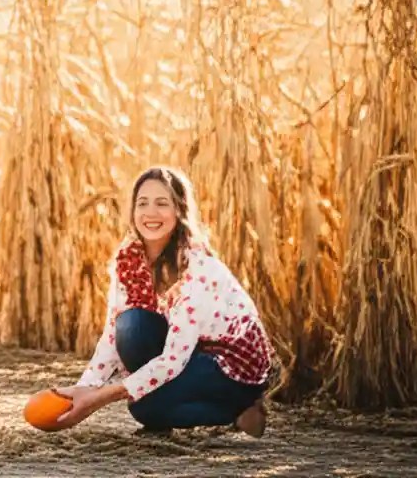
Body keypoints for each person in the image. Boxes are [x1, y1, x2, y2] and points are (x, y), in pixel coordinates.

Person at [53, 166, 275, 436]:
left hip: (228, 362)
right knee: (131, 325)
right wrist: (85, 387)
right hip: (187, 351)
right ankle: (164, 399)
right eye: (142, 203)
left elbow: (173, 359)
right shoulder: (129, 260)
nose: (151, 213)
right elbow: (113, 333)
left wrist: (96, 400)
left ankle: (242, 407)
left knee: (144, 409)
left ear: (179, 210)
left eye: (162, 204)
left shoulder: (196, 265)